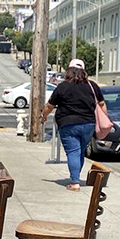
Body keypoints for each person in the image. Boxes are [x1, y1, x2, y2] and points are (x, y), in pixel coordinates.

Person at [40, 59, 107, 191]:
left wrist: (44, 116)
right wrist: (105, 119)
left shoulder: (62, 87)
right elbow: (102, 104)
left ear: (69, 71)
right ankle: (76, 176)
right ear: (84, 71)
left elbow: (49, 106)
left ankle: (75, 182)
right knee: (80, 151)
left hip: (68, 124)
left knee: (73, 152)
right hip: (88, 124)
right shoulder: (92, 86)